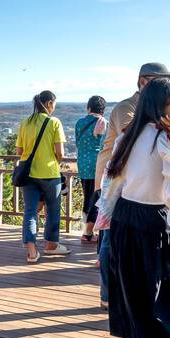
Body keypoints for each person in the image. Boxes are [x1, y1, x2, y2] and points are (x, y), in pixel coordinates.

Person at [98, 77, 170, 338]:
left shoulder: (129, 136)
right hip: (157, 219)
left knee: (128, 287)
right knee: (169, 287)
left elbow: (112, 182)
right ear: (160, 104)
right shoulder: (167, 138)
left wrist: (106, 217)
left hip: (126, 218)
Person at [17, 90, 68, 263]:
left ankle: (32, 252)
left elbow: (20, 151)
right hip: (49, 174)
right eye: (54, 104)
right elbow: (60, 152)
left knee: (30, 212)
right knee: (52, 210)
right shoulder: (54, 122)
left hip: (29, 174)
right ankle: (51, 246)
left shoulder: (25, 122)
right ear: (49, 104)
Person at [74, 96, 107, 243]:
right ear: (103, 110)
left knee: (88, 197)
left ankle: (87, 231)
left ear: (89, 108)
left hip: (82, 164)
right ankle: (88, 233)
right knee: (97, 197)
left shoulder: (79, 123)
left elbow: (77, 142)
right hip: (98, 166)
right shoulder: (103, 123)